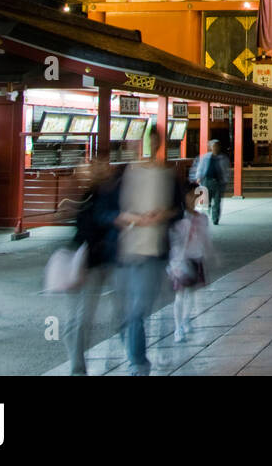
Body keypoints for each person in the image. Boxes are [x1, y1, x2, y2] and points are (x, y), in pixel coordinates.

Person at [117, 128, 185, 375]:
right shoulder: (123, 173)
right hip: (124, 247)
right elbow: (110, 209)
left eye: (154, 140)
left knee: (139, 307)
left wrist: (163, 214)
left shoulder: (167, 174)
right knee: (130, 311)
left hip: (155, 248)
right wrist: (128, 217)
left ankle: (137, 357)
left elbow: (178, 209)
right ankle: (136, 356)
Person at [66, 155, 121, 374]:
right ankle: (78, 365)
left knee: (85, 315)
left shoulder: (104, 193)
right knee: (82, 316)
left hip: (100, 258)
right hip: (90, 260)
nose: (99, 170)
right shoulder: (91, 194)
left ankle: (84, 363)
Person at [169, 182, 214, 343]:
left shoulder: (202, 218)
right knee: (180, 295)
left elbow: (206, 239)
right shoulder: (178, 218)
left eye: (196, 195)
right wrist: (173, 262)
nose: (194, 198)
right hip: (180, 260)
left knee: (191, 293)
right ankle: (177, 327)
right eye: (190, 195)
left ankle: (186, 319)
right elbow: (173, 241)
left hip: (196, 257)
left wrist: (210, 255)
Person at [201, 140, 229, 225]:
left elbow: (226, 170)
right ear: (211, 147)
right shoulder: (206, 157)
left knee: (217, 202)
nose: (215, 148)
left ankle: (215, 219)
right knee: (206, 202)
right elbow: (201, 168)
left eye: (217, 146)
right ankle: (205, 217)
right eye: (214, 146)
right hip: (207, 180)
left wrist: (225, 180)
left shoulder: (223, 158)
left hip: (218, 182)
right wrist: (199, 177)